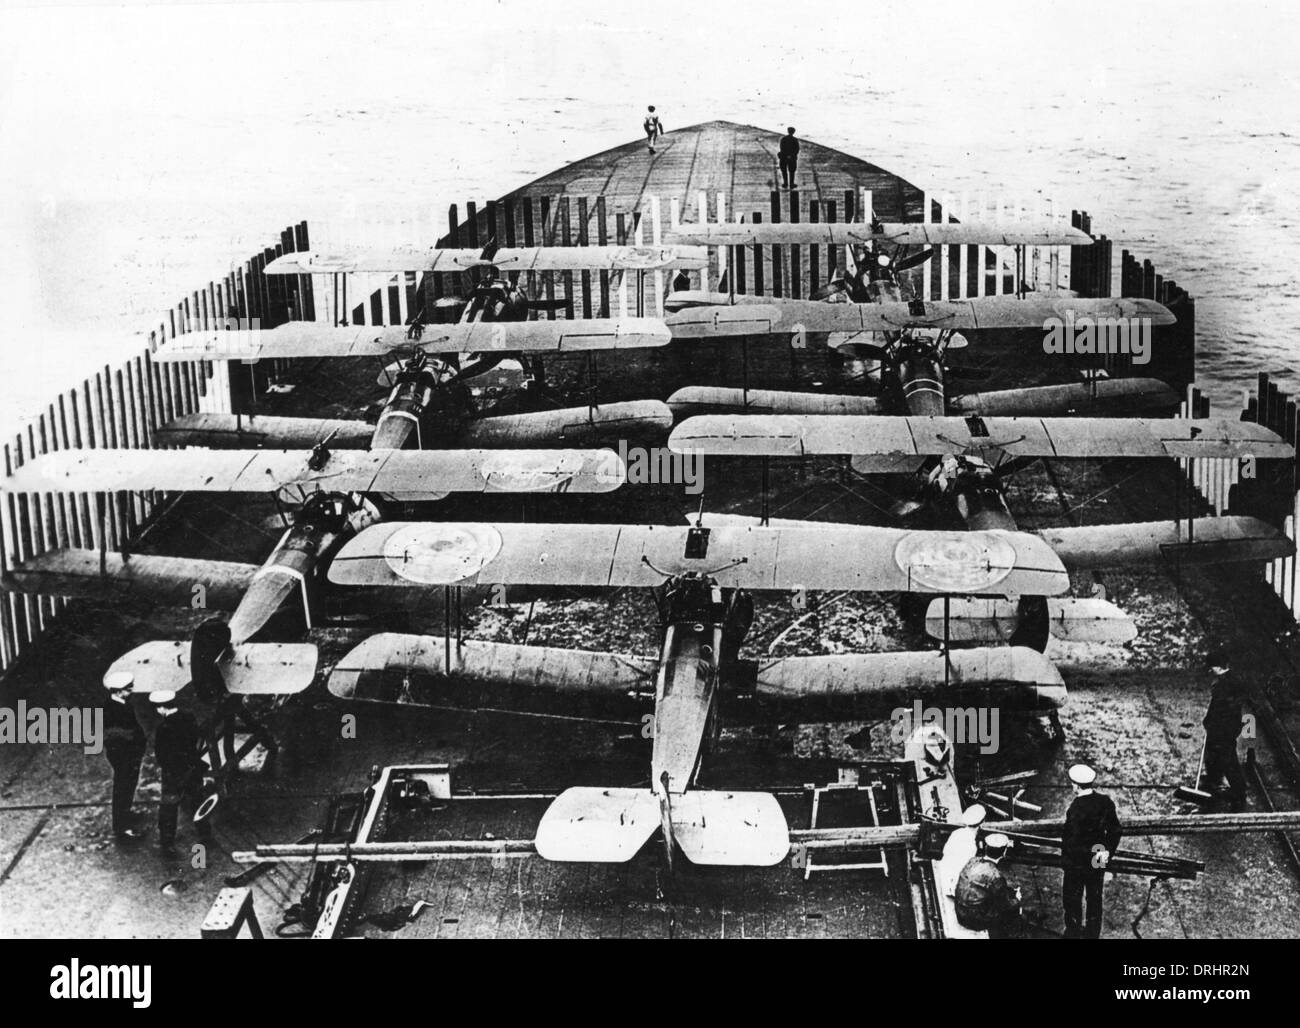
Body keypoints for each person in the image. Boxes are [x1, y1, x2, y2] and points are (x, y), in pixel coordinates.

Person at [1061, 763, 1121, 939]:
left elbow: (1070, 840)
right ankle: (1092, 934)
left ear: (1076, 785)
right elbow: (1115, 829)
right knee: (1095, 898)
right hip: (1098, 857)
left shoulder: (1075, 809)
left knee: (1072, 899)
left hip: (1077, 862)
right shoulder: (1105, 802)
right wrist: (1108, 851)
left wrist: (1066, 860)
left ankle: (1072, 932)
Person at [151, 690, 215, 856]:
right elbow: (194, 740)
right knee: (197, 801)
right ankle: (205, 834)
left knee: (169, 809)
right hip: (192, 769)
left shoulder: (163, 728)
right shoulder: (189, 717)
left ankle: (167, 843)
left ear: (161, 708)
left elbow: (161, 755)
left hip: (174, 774)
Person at [1201, 648, 1248, 811]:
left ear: (1218, 667)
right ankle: (1214, 781)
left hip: (1223, 729)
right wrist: (1208, 720)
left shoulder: (1223, 685)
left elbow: (1220, 709)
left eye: (1212, 667)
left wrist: (1211, 722)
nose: (1210, 670)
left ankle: (1239, 795)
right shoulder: (1232, 680)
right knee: (1217, 755)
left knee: (1228, 761)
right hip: (1226, 727)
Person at [102, 671, 146, 842]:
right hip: (124, 755)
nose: (132, 690)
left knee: (128, 786)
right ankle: (122, 826)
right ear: (118, 691)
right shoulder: (113, 708)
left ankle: (125, 815)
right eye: (128, 688)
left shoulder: (120, 703)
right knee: (123, 788)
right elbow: (115, 734)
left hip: (129, 754)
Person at [953, 833, 1022, 938]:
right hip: (973, 921)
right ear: (1004, 852)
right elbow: (1004, 905)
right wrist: (1016, 900)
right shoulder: (996, 876)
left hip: (960, 911)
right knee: (1012, 910)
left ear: (986, 848)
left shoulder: (972, 861)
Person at [938, 803, 987, 894]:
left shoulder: (957, 833)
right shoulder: (971, 846)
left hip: (943, 873)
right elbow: (964, 871)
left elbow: (946, 852)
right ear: (982, 822)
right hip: (952, 885)